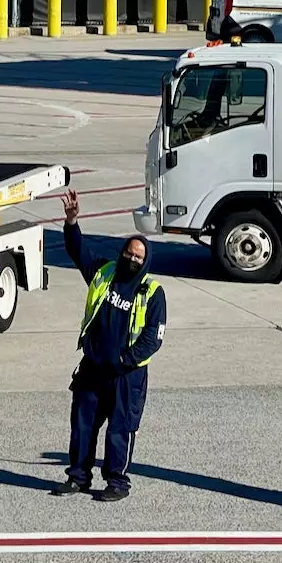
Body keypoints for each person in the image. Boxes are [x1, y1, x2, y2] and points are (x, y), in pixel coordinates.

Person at [51, 190, 165, 502]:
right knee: (83, 425)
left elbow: (153, 338)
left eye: (138, 256)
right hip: (92, 368)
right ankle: (78, 477)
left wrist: (123, 359)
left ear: (145, 262)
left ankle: (117, 482)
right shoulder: (104, 273)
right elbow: (77, 251)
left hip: (125, 375)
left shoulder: (152, 292)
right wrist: (72, 222)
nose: (132, 258)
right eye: (129, 252)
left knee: (120, 429)